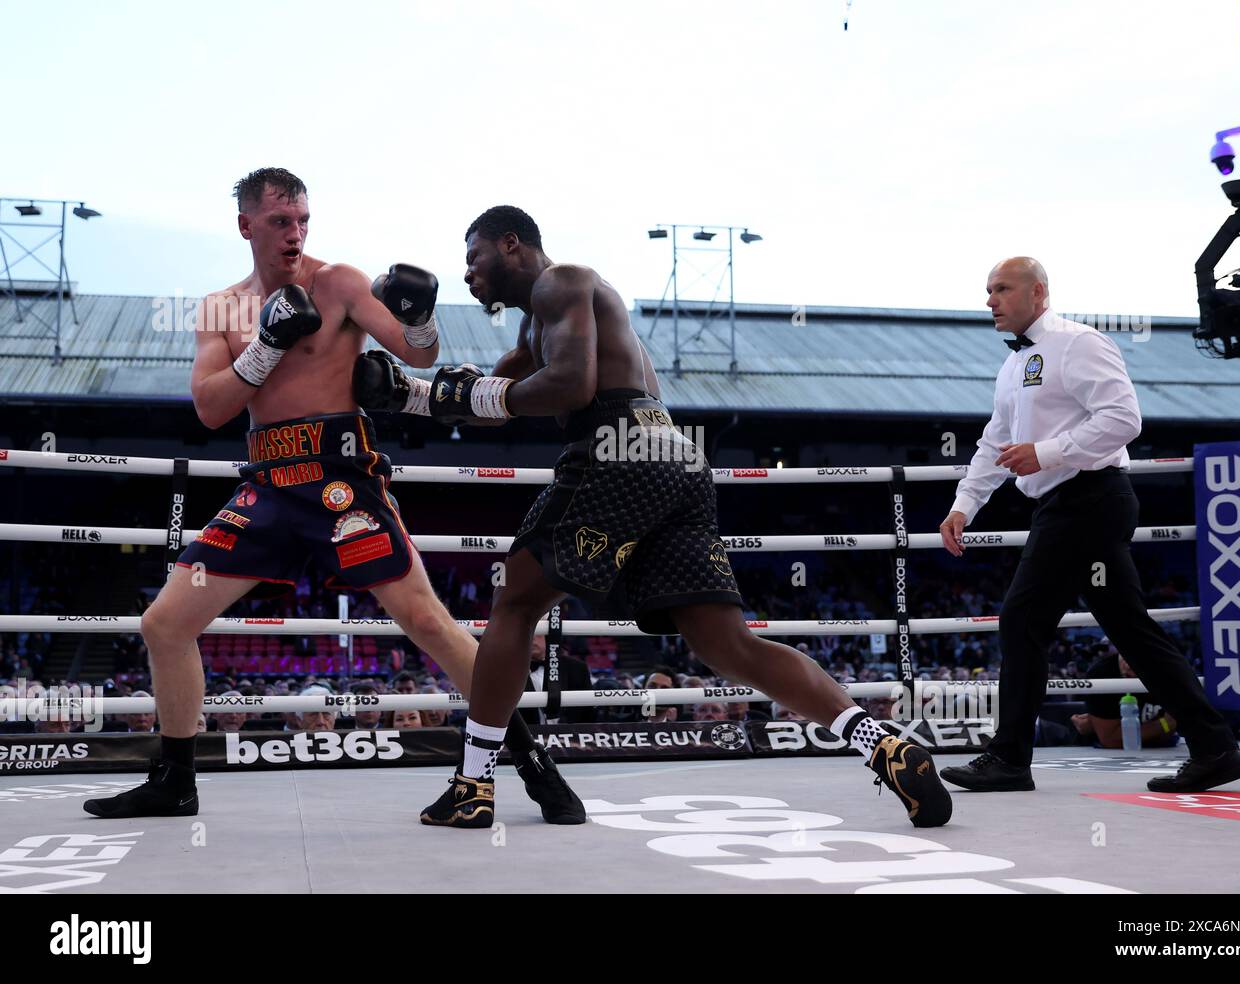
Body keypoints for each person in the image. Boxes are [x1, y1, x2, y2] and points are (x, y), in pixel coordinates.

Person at [355, 205, 950, 829]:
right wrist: (408, 394)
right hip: (672, 459)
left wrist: (457, 394)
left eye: (474, 257)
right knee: (729, 646)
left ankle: (473, 786)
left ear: (511, 245)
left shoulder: (563, 283)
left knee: (514, 600)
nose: (469, 275)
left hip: (617, 449)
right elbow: (487, 398)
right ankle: (882, 744)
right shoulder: (542, 324)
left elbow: (569, 389)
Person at [84, 170, 581, 824]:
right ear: (246, 226)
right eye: (280, 222)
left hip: (341, 481)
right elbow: (209, 408)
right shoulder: (221, 308)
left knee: (429, 622)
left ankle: (531, 762)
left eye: (302, 220)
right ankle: (175, 780)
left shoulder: (341, 282)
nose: (295, 233)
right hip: (266, 485)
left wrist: (421, 314)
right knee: (164, 624)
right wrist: (265, 347)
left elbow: (421, 353)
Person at [937, 257, 1240, 794]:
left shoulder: (1077, 343)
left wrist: (1050, 452)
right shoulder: (1013, 365)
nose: (990, 299)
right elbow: (996, 440)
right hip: (1068, 504)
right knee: (1130, 629)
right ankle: (1215, 746)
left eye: (1002, 289)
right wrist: (965, 505)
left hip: (1089, 499)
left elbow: (1125, 418)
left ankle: (1010, 757)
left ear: (1038, 292)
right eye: (987, 290)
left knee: (1021, 619)